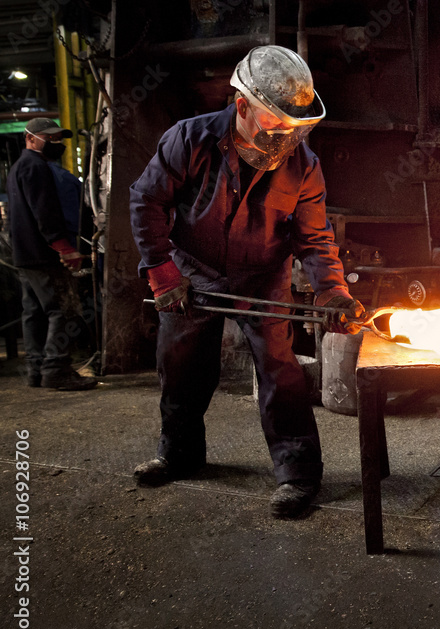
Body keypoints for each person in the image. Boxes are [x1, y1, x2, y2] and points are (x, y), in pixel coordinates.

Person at [129, 45, 364, 519]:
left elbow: (315, 238)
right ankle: (179, 455)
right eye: (277, 127)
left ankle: (297, 476)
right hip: (191, 271)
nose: (286, 141)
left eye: (295, 130)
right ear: (242, 107)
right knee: (179, 367)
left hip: (262, 276)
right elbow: (147, 202)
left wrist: (331, 290)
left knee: (281, 372)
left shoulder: (304, 167)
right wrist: (162, 273)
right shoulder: (188, 140)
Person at [6, 117, 96, 391]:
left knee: (33, 311)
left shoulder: (19, 167)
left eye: (58, 138)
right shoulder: (36, 167)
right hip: (43, 254)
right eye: (50, 138)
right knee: (63, 310)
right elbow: (44, 212)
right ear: (30, 138)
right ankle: (56, 369)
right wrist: (65, 248)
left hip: (25, 255)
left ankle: (36, 371)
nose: (56, 143)